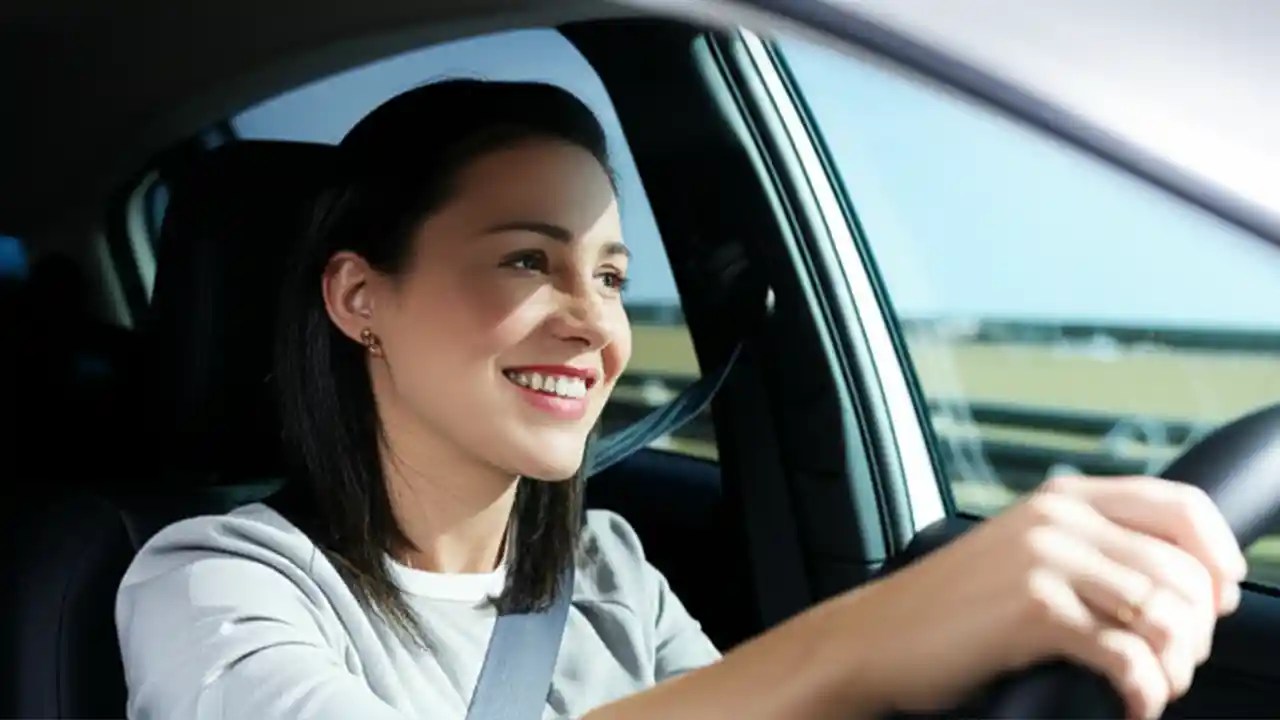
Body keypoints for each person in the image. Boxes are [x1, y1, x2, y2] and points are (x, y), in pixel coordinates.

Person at [115, 79, 1246, 720]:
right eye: (525, 261)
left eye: (608, 276)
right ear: (361, 296)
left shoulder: (608, 569)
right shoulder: (212, 580)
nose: (593, 323)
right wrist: (854, 646)